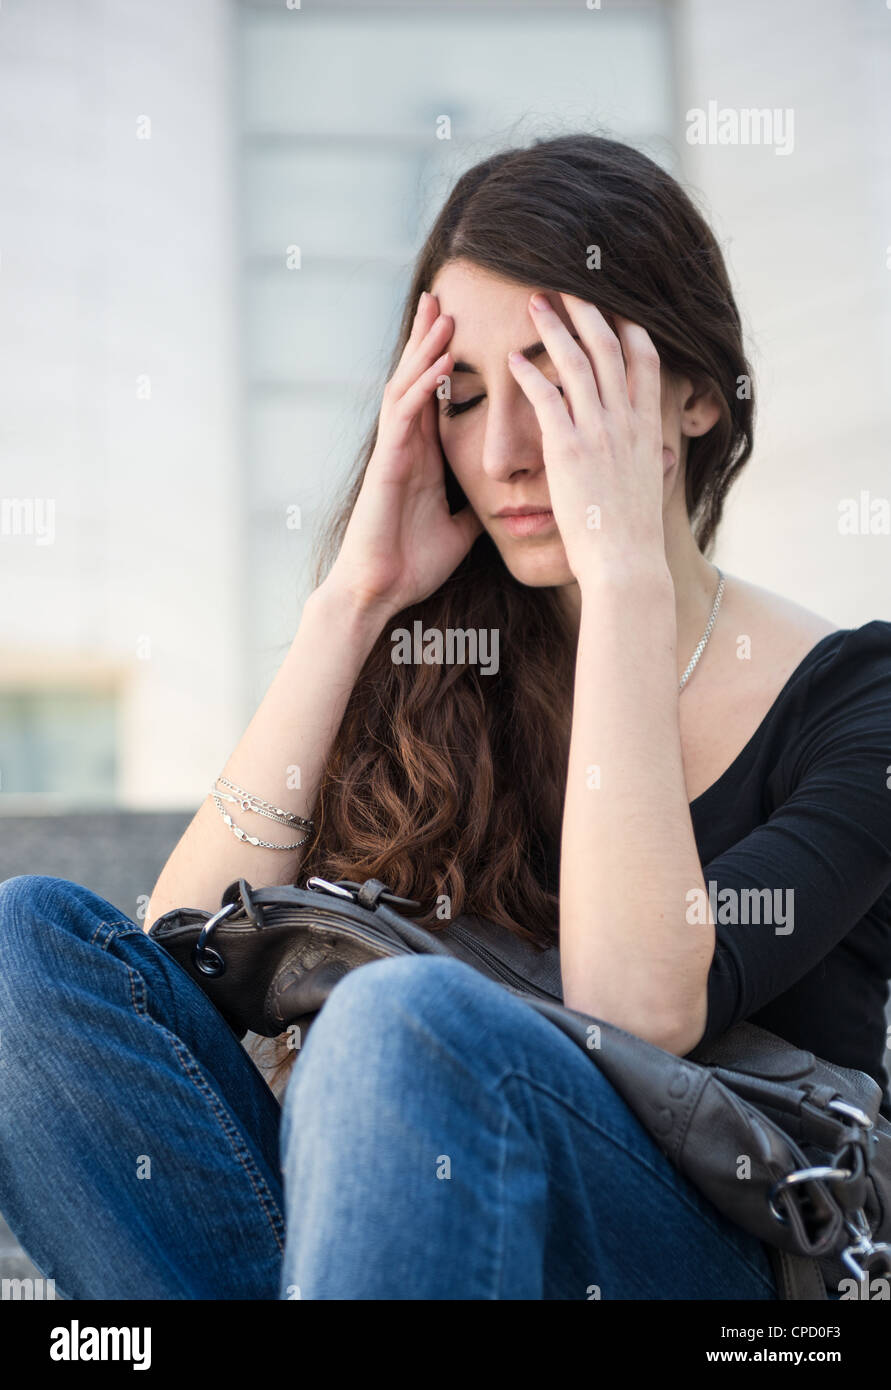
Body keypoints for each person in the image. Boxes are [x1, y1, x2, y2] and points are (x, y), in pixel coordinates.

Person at [1, 133, 889, 1301]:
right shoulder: (438, 667)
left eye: (557, 387)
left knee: (403, 1022)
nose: (508, 452)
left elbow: (638, 1003)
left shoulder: (857, 701)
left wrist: (626, 582)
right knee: (29, 948)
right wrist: (352, 602)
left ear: (695, 400)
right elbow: (176, 972)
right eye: (464, 400)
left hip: (716, 1261)